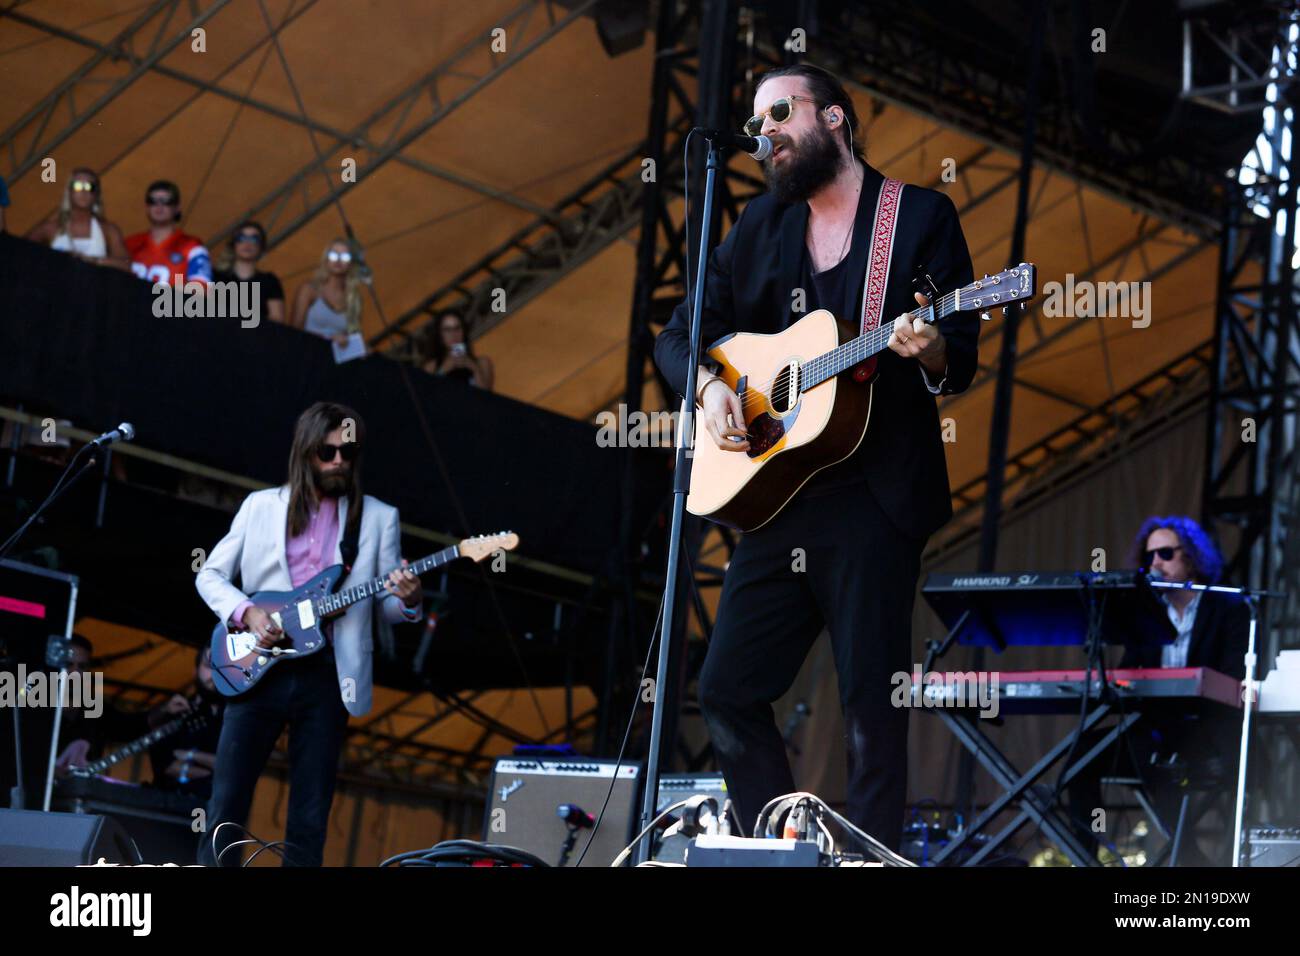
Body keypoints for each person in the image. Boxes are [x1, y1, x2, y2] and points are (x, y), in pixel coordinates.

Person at [653, 64, 978, 850]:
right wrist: (708, 388)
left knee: (871, 704)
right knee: (726, 687)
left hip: (874, 494)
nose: (764, 133)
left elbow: (958, 357)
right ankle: (774, 854)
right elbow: (675, 335)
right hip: (777, 495)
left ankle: (865, 863)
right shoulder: (759, 226)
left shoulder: (919, 216)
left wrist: (931, 346)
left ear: (834, 118)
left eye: (780, 114)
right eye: (756, 122)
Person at [195, 402, 424, 865]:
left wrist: (410, 599)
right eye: (328, 452)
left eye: (348, 453)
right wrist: (248, 613)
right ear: (305, 452)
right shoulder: (260, 506)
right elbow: (209, 575)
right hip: (259, 664)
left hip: (328, 673)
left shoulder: (378, 517)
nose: (339, 461)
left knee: (311, 813)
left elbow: (386, 609)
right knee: (227, 801)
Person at [1066, 516, 1249, 865]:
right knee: (1082, 755)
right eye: (1149, 557)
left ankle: (1191, 859)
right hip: (1151, 731)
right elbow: (1126, 675)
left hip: (1203, 730)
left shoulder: (1228, 608)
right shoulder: (1144, 613)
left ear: (1192, 557)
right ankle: (1084, 855)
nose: (1156, 565)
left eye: (1165, 554)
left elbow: (1232, 677)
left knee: (1151, 752)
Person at [24, 167, 130, 270]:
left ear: (96, 194)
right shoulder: (51, 228)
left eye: (90, 187)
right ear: (69, 191)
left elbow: (126, 265)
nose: (83, 191)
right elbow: (22, 253)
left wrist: (95, 261)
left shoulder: (108, 230)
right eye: (77, 186)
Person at [125, 179, 212, 286]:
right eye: (153, 201)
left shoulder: (192, 247)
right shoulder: (130, 243)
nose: (159, 206)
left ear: (177, 207)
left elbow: (201, 289)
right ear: (146, 206)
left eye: (166, 201)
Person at [290, 239, 362, 347]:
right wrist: (327, 338)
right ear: (326, 259)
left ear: (351, 264)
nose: (338, 260)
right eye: (333, 255)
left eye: (345, 257)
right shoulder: (309, 290)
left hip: (334, 361)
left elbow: (352, 338)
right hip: (305, 354)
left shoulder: (353, 300)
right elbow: (293, 332)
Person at [212, 220, 286, 325]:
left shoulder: (270, 282)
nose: (247, 243)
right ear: (234, 245)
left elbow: (277, 321)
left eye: (254, 239)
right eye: (241, 238)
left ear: (261, 247)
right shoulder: (215, 277)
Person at [422, 311, 494, 390]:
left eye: (457, 328)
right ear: (439, 335)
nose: (453, 334)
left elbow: (486, 395)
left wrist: (473, 368)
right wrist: (444, 369)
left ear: (464, 332)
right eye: (447, 330)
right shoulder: (431, 366)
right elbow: (429, 394)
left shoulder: (482, 362)